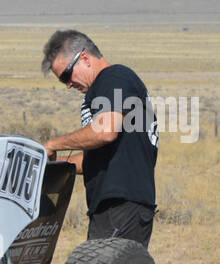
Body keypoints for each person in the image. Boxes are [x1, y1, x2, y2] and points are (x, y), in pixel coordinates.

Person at [41, 29, 158, 247]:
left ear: (84, 58)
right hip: (115, 207)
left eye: (67, 75)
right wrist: (52, 165)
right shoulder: (105, 88)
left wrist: (53, 144)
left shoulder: (114, 77)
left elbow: (105, 132)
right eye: (61, 81)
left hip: (121, 204)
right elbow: (92, 160)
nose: (67, 84)